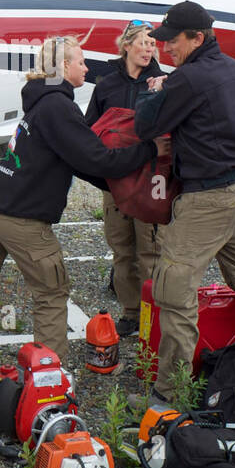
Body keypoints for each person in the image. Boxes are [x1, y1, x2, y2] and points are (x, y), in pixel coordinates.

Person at [0, 36, 170, 359]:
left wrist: (121, 191)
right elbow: (97, 159)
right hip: (22, 218)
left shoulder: (41, 100)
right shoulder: (59, 107)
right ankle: (51, 379)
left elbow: (78, 160)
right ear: (64, 67)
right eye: (81, 61)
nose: (86, 67)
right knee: (52, 293)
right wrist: (150, 150)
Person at [134, 0, 235, 403]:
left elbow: (147, 124)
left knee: (174, 288)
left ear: (197, 38)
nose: (166, 50)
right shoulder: (233, 70)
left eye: (173, 42)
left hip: (207, 199)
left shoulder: (189, 78)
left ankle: (170, 393)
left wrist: (155, 91)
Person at [82, 21, 165, 338]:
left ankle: (154, 316)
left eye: (153, 44)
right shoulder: (106, 85)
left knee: (151, 252)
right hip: (115, 182)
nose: (149, 49)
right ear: (126, 45)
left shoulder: (162, 82)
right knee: (122, 251)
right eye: (144, 42)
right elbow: (92, 129)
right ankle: (131, 313)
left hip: (150, 181)